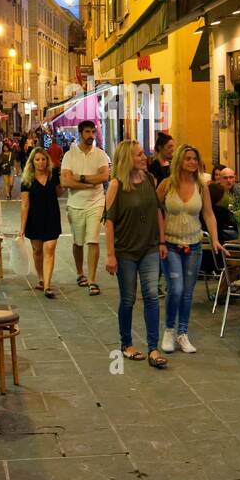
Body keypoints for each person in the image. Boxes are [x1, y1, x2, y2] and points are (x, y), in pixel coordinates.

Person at [104, 139, 169, 368]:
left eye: (143, 154)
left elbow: (159, 212)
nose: (144, 157)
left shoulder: (150, 180)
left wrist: (162, 241)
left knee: (151, 295)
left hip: (150, 246)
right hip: (126, 251)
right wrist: (110, 255)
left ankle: (153, 348)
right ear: (127, 158)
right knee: (129, 299)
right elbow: (109, 222)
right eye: (139, 154)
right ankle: (126, 343)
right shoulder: (116, 185)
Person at [156, 144, 225, 354]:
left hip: (194, 244)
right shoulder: (167, 185)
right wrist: (159, 240)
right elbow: (156, 210)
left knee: (187, 292)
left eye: (195, 159)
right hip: (170, 243)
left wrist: (214, 239)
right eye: (188, 159)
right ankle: (169, 330)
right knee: (175, 289)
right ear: (179, 161)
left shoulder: (201, 186)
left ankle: (182, 333)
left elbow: (208, 214)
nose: (192, 162)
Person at [61, 120, 111, 296]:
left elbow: (104, 176)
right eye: (88, 132)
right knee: (78, 242)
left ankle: (92, 280)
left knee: (93, 240)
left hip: (96, 203)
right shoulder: (70, 155)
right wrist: (90, 182)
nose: (91, 135)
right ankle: (80, 273)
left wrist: (80, 178)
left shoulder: (100, 155)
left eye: (93, 132)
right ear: (80, 133)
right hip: (75, 204)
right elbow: (65, 181)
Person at [20, 146, 62, 296]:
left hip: (52, 216)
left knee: (49, 249)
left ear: (47, 161)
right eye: (37, 159)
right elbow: (25, 204)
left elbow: (59, 191)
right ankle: (41, 278)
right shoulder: (27, 180)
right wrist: (22, 227)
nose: (41, 162)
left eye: (43, 159)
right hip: (34, 218)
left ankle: (47, 286)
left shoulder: (53, 175)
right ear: (32, 162)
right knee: (37, 251)